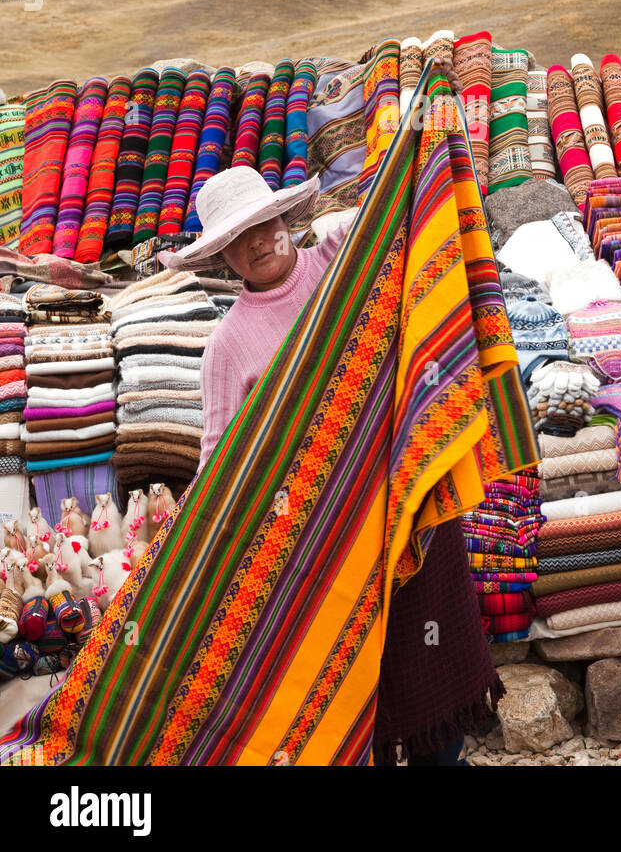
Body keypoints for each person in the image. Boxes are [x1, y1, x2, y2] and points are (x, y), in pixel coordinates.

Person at [162, 150, 502, 765]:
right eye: (237, 238)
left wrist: (428, 125)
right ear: (222, 256)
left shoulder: (341, 260)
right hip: (325, 543)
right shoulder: (228, 346)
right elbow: (219, 466)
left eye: (263, 222)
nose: (257, 242)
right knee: (348, 690)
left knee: (433, 667)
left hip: (410, 501)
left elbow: (405, 211)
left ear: (285, 218)